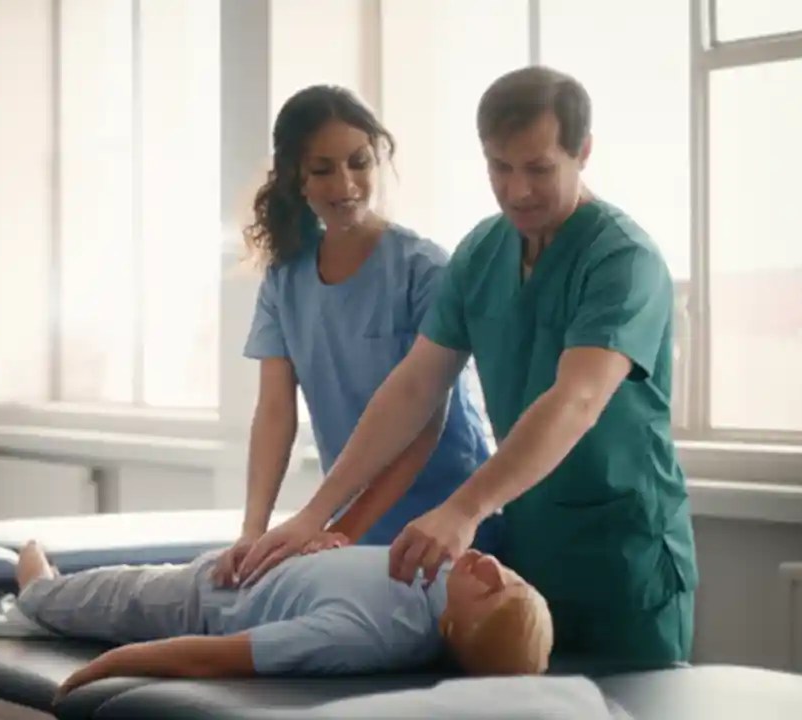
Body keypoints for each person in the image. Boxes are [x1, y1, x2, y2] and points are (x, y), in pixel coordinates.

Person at [236, 66, 698, 667]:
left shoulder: (621, 260)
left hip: (621, 555)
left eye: (538, 169)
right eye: (499, 169)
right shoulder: (483, 251)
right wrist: (315, 515)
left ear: (583, 152)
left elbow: (577, 400)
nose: (518, 191)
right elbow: (414, 386)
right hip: (525, 548)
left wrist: (463, 508)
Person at [214, 84, 499, 588]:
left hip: (449, 527)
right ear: (295, 178)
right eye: (323, 169)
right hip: (354, 528)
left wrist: (339, 529)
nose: (345, 183)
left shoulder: (424, 269)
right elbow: (276, 412)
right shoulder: (285, 280)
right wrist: (252, 533)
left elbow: (424, 423)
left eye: (359, 163)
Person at [6, 534, 552, 699]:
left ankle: (31, 567)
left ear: (456, 631)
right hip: (242, 563)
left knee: (49, 600)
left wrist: (105, 667)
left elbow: (213, 657)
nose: (489, 567)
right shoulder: (440, 573)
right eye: (512, 578)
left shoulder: (363, 637)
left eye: (489, 591)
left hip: (196, 600)